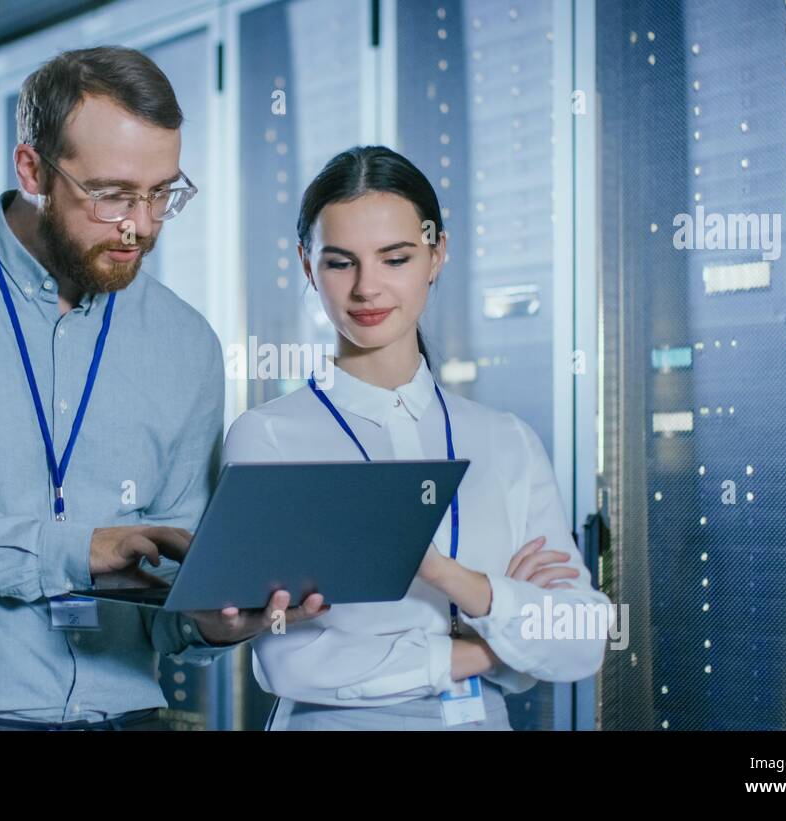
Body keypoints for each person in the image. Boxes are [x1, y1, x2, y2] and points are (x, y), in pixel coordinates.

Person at [0, 46, 325, 731]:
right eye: (111, 194)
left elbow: (168, 588)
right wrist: (70, 550)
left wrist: (210, 623)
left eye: (163, 193)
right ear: (33, 170)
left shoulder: (186, 343)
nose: (140, 225)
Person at [224, 145, 613, 730]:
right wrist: (490, 643)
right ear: (309, 267)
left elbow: (582, 638)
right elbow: (288, 659)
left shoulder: (506, 442)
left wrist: (447, 576)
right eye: (340, 262)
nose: (367, 288)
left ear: (437, 254)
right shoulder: (270, 438)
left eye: (395, 258)